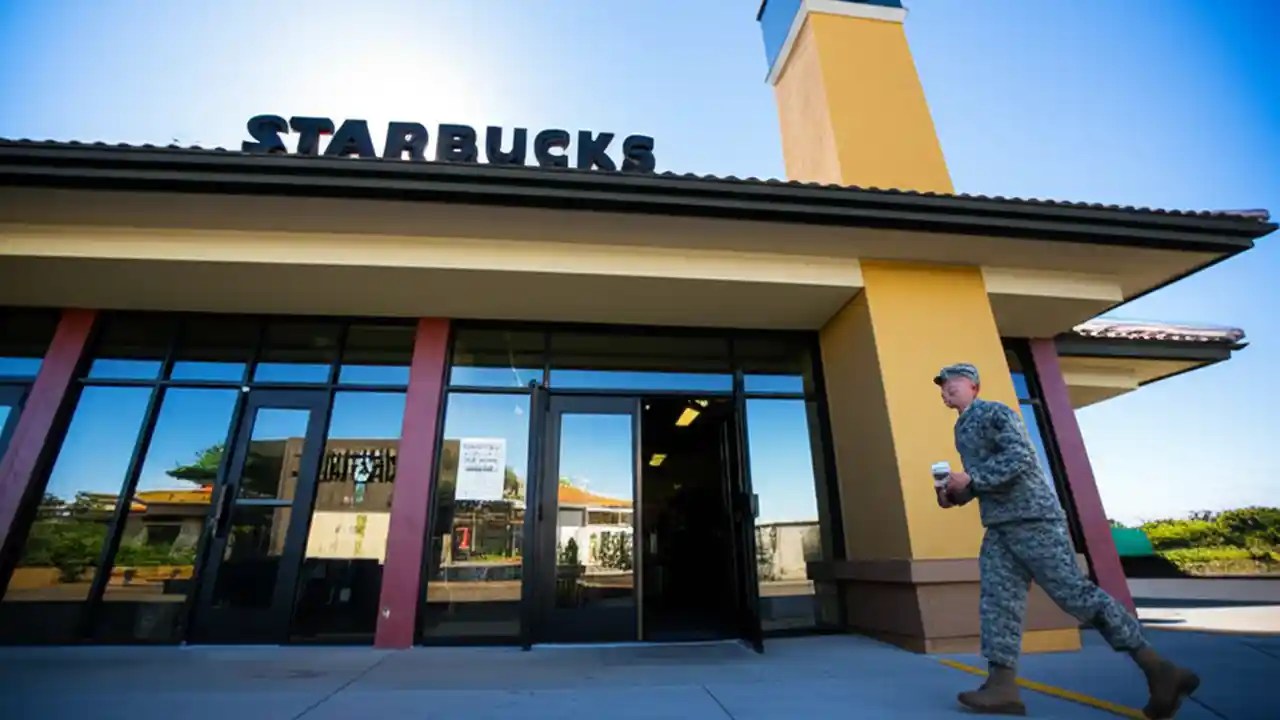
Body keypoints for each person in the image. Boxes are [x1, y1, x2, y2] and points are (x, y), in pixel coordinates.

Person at [933, 363, 1199, 719]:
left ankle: (1159, 669)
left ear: (974, 386)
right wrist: (954, 493)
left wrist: (973, 478)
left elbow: (1020, 457)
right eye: (942, 386)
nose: (946, 389)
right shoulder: (962, 427)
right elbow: (980, 483)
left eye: (953, 383)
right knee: (998, 601)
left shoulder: (995, 412)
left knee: (1074, 593)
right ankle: (1002, 686)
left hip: (1033, 518)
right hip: (1000, 524)